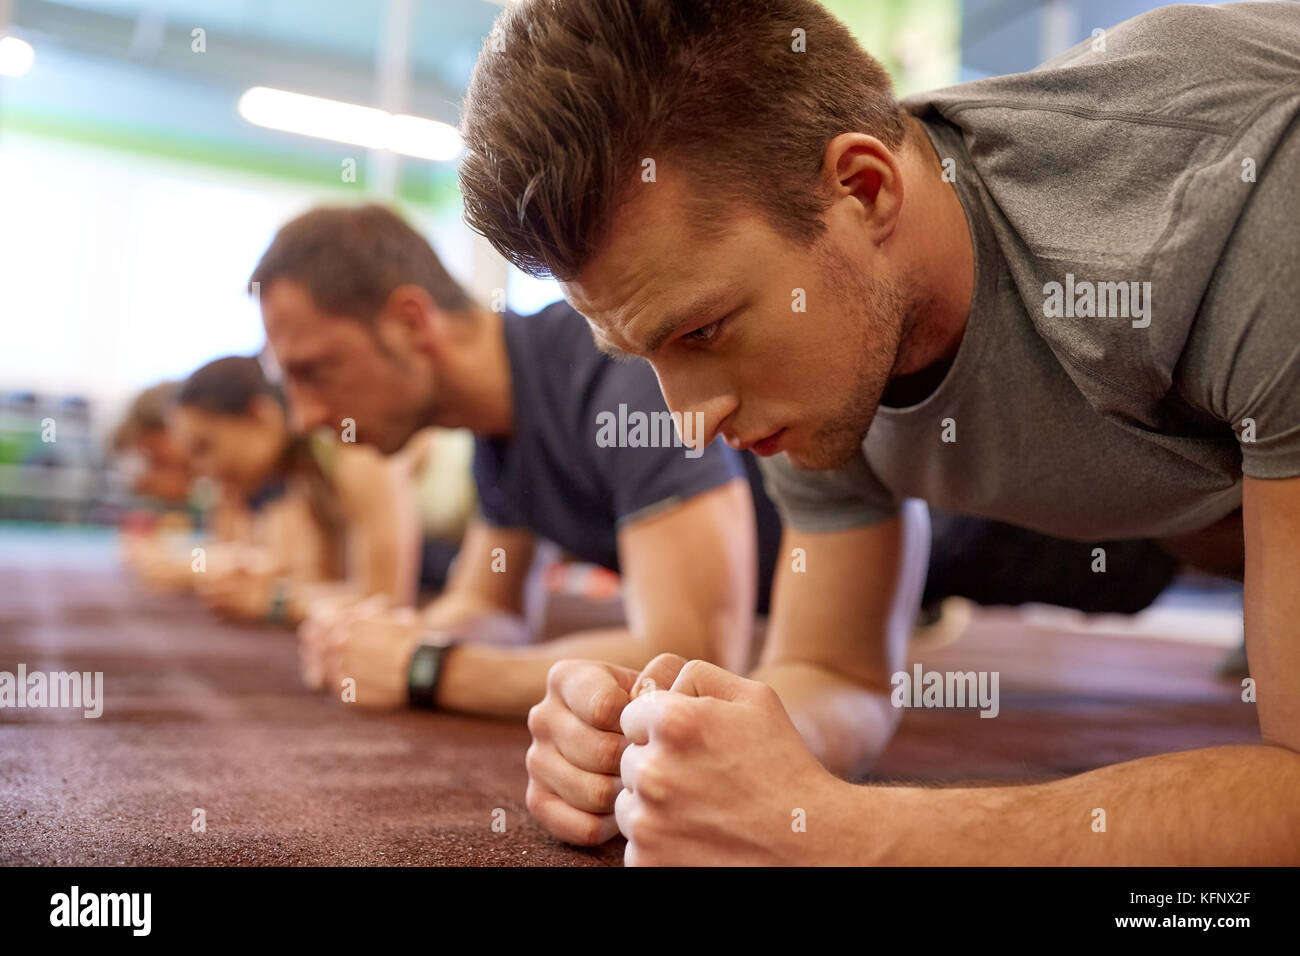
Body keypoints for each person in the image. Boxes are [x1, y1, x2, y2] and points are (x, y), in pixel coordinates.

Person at [457, 0, 1300, 863]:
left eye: (703, 331)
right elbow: (835, 674)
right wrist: (676, 747)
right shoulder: (824, 348)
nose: (689, 422)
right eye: (643, 354)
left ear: (864, 190)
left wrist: (843, 834)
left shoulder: (1239, 198)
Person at [253, 204, 784, 717]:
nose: (302, 420)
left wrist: (430, 668)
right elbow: (492, 609)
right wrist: (388, 635)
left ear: (409, 323)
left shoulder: (616, 365)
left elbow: (695, 658)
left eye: (315, 371)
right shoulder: (497, 428)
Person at [165, 355, 433, 624]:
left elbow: (384, 604)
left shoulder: (352, 444)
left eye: (205, 447)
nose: (201, 471)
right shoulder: (307, 474)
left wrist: (274, 601)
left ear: (261, 416)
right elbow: (323, 583)